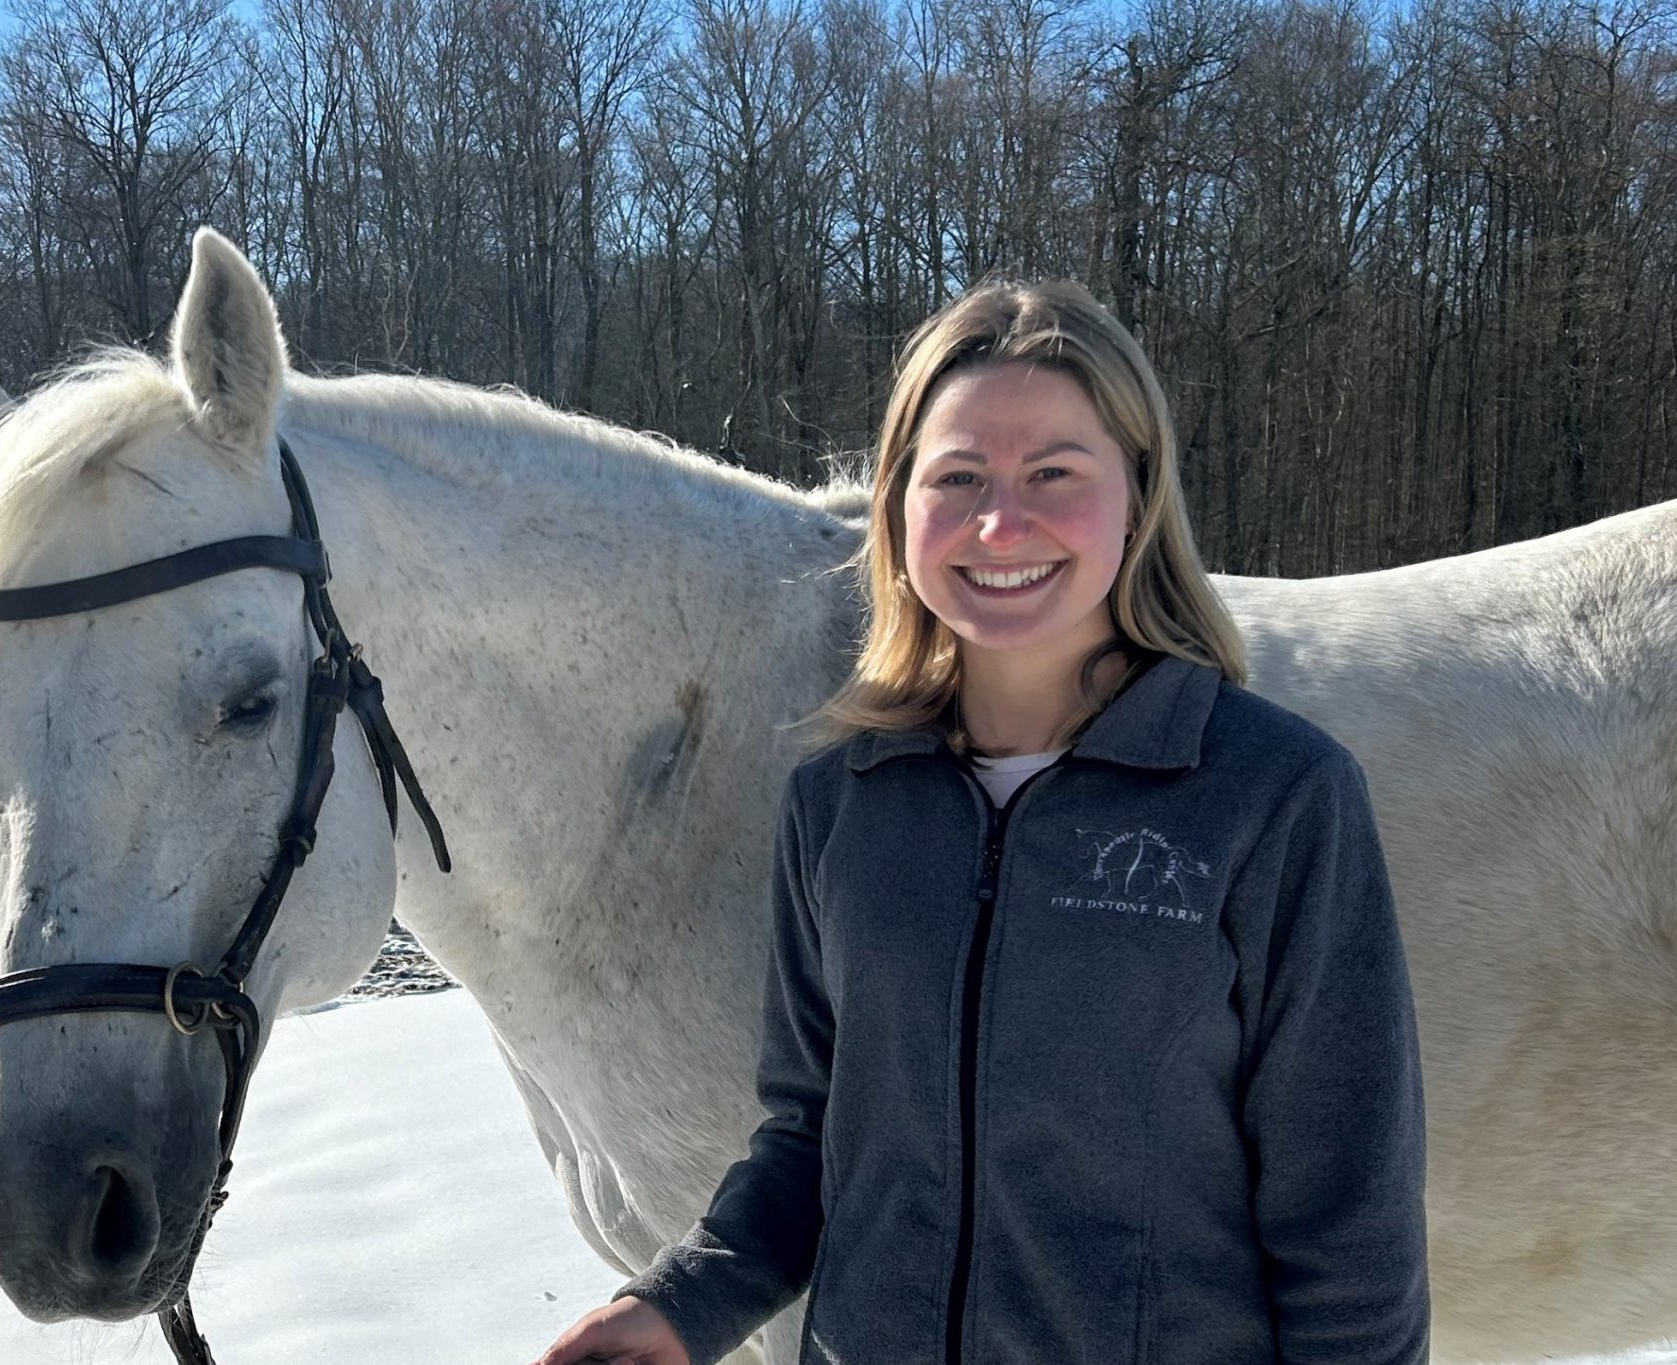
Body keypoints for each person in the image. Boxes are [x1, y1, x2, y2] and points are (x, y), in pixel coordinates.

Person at [532, 280, 1430, 1365]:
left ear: (1137, 496)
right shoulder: (840, 802)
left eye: (1052, 472)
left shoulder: (1271, 797)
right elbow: (812, 1144)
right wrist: (679, 1306)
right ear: (898, 507)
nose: (1000, 522)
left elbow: (1347, 1227)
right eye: (955, 477)